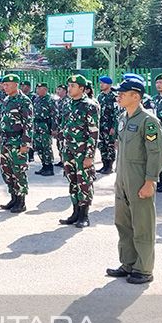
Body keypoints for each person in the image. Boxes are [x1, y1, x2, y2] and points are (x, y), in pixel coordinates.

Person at [106, 77, 162, 284]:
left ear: (135, 96)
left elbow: (156, 153)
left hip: (140, 180)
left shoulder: (148, 121)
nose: (118, 95)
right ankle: (128, 263)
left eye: (123, 93)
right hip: (122, 179)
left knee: (143, 225)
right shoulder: (123, 117)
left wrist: (150, 181)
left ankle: (144, 268)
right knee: (123, 223)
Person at [58, 75, 99, 228]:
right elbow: (64, 127)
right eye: (69, 85)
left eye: (73, 86)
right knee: (72, 181)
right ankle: (75, 212)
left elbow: (94, 132)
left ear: (81, 89)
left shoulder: (90, 105)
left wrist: (89, 156)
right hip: (69, 150)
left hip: (82, 151)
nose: (69, 88)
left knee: (84, 182)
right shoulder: (67, 104)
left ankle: (84, 215)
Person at [0, 74, 33, 213]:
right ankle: (13, 197)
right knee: (7, 171)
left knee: (19, 171)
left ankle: (21, 201)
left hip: (18, 141)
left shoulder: (24, 101)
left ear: (15, 85)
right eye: (4, 84)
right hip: (6, 141)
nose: (4, 87)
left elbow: (28, 124)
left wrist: (25, 143)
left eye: (7, 85)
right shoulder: (6, 99)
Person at [32, 83, 56, 176]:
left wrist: (54, 128)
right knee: (38, 146)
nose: (38, 90)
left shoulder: (50, 100)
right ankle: (44, 165)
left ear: (45, 89)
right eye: (37, 88)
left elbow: (54, 114)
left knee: (46, 147)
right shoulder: (36, 99)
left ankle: (49, 167)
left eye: (40, 88)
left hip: (45, 125)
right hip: (37, 125)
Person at [97, 76, 118, 174]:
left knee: (110, 145)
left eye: (103, 83)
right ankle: (104, 164)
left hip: (109, 126)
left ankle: (109, 166)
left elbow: (117, 113)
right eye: (100, 83)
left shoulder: (114, 97)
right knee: (102, 145)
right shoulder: (100, 96)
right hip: (101, 125)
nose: (101, 85)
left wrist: (114, 127)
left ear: (109, 85)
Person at [53, 84, 69, 167]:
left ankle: (65, 160)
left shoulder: (68, 101)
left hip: (65, 127)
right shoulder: (58, 101)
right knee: (59, 144)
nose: (58, 91)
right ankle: (61, 159)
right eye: (57, 89)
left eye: (60, 89)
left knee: (64, 144)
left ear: (65, 91)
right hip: (59, 126)